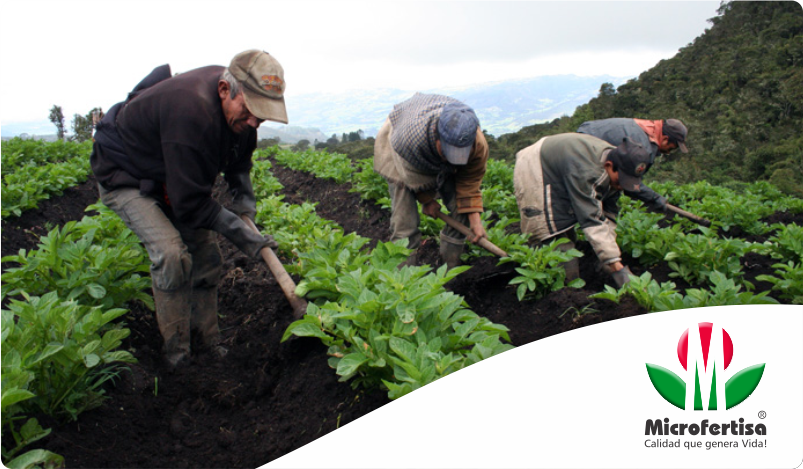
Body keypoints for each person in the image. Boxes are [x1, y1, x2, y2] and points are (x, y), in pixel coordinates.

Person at [90, 50, 287, 367]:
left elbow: (238, 166)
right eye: (251, 110)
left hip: (171, 175)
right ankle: (178, 356)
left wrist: (244, 205)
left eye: (262, 115)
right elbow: (191, 204)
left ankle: (208, 344)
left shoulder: (242, 120)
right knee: (171, 256)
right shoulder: (191, 113)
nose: (254, 121)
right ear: (225, 90)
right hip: (125, 175)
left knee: (207, 256)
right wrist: (244, 237)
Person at [513, 133, 653, 287]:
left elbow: (609, 214)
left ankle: (580, 272)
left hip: (564, 164)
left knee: (564, 224)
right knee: (548, 232)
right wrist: (616, 266)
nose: (621, 187)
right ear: (608, 166)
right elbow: (590, 218)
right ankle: (563, 290)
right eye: (621, 182)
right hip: (534, 163)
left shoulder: (622, 162)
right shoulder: (589, 172)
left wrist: (609, 256)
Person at [373, 93, 488, 268]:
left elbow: (469, 181)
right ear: (437, 136)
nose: (454, 160)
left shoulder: (477, 144)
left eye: (460, 155)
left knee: (462, 212)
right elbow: (409, 174)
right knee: (405, 225)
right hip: (400, 157)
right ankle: (403, 285)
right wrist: (427, 200)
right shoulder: (409, 139)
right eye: (449, 153)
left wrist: (475, 221)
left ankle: (448, 273)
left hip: (429, 153)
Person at [577, 118, 689, 212]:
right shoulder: (643, 148)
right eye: (671, 148)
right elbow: (630, 185)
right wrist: (655, 198)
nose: (668, 152)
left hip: (580, 137)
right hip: (586, 155)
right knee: (587, 200)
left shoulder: (642, 126)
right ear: (665, 139)